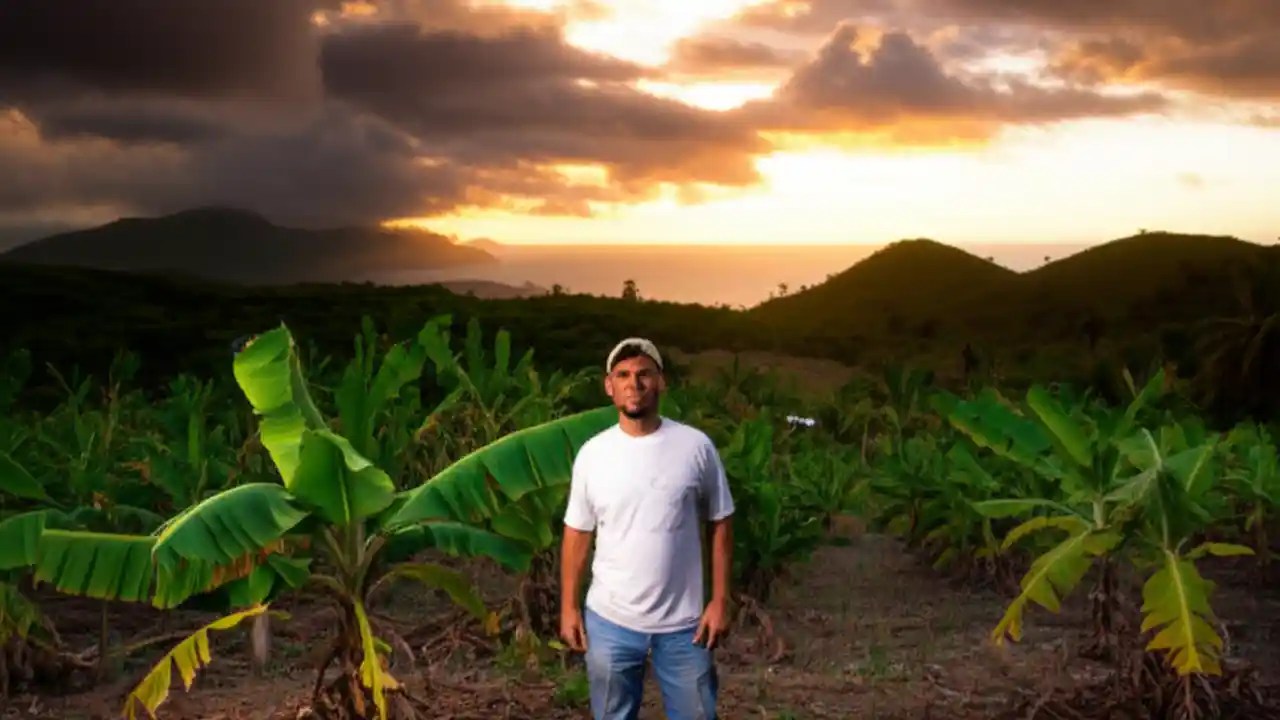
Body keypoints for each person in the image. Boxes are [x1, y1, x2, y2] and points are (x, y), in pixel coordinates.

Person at [559, 337, 735, 720]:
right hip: (610, 622)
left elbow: (720, 522)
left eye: (644, 374)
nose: (633, 383)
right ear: (609, 386)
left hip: (686, 626)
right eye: (622, 375)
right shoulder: (593, 454)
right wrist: (568, 607)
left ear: (661, 381)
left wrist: (720, 601)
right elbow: (577, 533)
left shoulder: (695, 447)